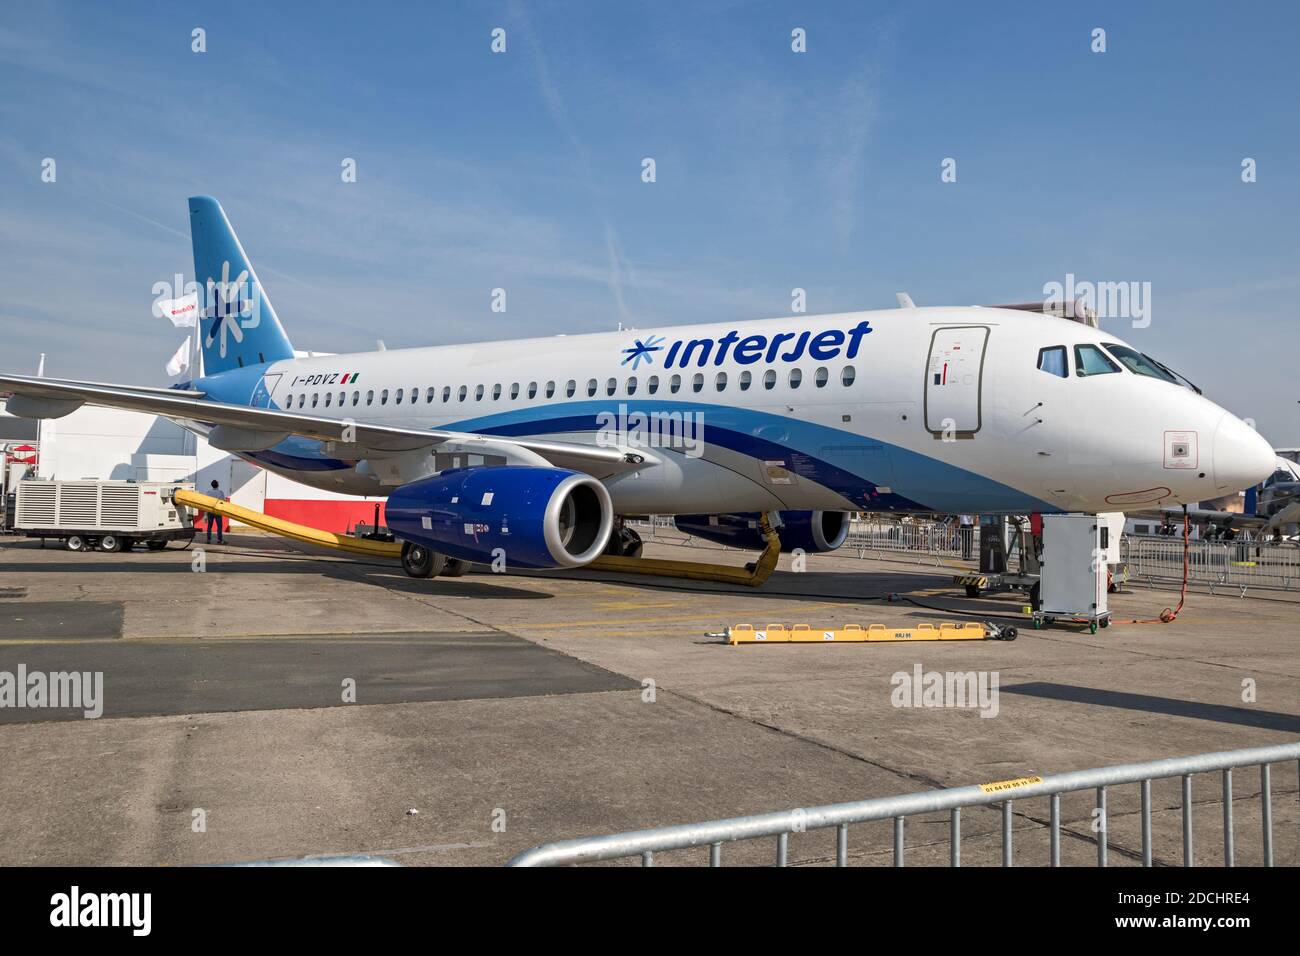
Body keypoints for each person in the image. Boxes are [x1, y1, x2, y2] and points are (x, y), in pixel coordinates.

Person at [205, 479, 226, 544]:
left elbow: (206, 504)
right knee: (219, 526)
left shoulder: (208, 493)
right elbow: (223, 502)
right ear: (218, 485)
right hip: (218, 511)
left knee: (209, 526)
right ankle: (219, 540)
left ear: (212, 485)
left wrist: (205, 515)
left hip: (210, 511)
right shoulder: (221, 493)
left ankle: (208, 540)